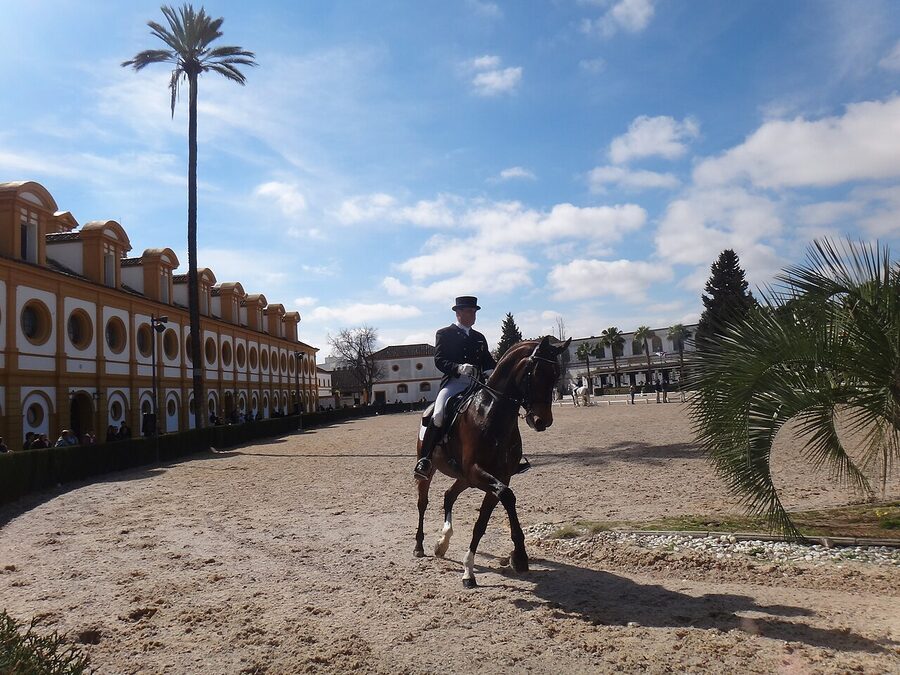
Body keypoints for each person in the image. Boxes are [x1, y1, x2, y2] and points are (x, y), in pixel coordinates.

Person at [414, 296, 498, 480]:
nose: (473, 315)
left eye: (474, 312)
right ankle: (425, 459)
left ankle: (506, 454)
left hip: (477, 384)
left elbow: (488, 361)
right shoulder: (444, 334)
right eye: (469, 311)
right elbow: (439, 360)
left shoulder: (479, 337)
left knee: (498, 409)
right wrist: (458, 368)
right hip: (454, 383)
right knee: (437, 414)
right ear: (458, 313)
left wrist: (493, 371)